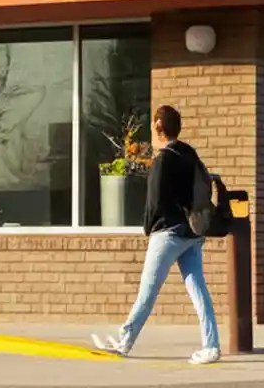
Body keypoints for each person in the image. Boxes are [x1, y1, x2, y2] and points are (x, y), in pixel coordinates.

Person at [92, 104, 220, 364]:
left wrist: (148, 228)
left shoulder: (162, 161)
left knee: (147, 292)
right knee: (198, 289)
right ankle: (211, 346)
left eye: (152, 124)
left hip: (168, 234)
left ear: (158, 127)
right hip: (192, 234)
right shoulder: (189, 154)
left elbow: (153, 203)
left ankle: (124, 341)